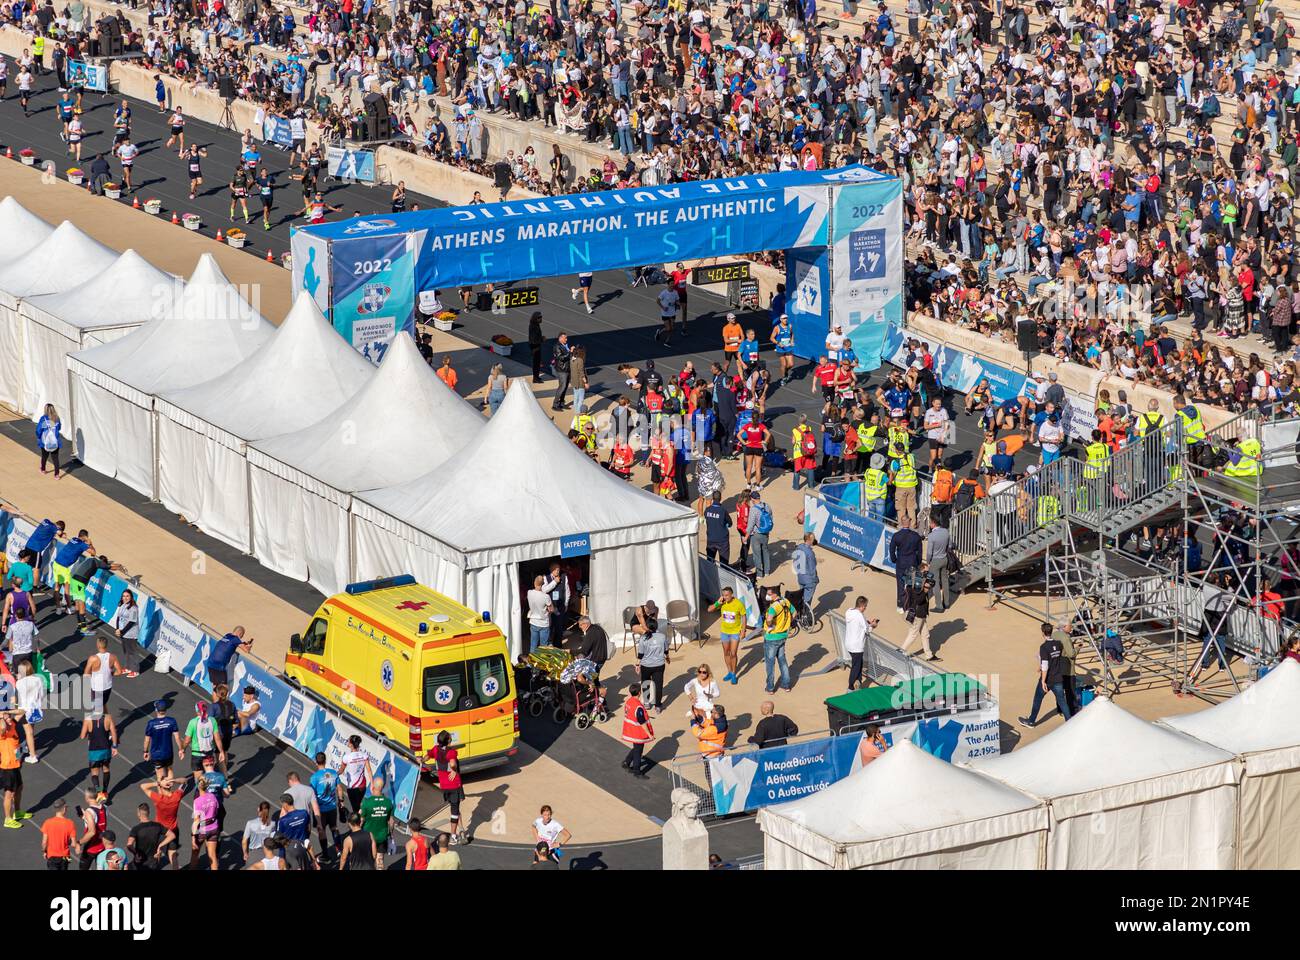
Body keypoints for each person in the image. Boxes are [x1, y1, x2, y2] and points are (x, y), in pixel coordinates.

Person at [1018, 623, 1073, 727]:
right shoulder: (1058, 644)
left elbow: (1045, 665)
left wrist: (1043, 681)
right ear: (1051, 632)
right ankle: (1069, 723)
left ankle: (1031, 721)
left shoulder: (1043, 647)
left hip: (1048, 679)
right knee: (1062, 701)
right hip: (1058, 678)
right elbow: (1054, 659)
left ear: (1043, 633)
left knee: (1037, 699)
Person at [707, 587, 747, 685]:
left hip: (734, 632)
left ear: (732, 594)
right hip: (724, 632)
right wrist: (717, 603)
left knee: (733, 653)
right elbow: (709, 610)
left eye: (727, 595)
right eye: (724, 595)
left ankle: (733, 674)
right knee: (726, 652)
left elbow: (744, 617)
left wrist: (743, 631)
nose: (725, 597)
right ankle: (729, 671)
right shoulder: (722, 603)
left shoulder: (739, 604)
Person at [432, 730, 466, 846]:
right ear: (448, 740)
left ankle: (461, 829)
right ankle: (453, 835)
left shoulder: (435, 749)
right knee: (455, 810)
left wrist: (421, 759)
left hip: (444, 786)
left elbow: (427, 756)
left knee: (454, 806)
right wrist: (454, 769)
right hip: (454, 785)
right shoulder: (451, 752)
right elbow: (452, 763)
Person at [900, 563, 939, 661]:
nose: (928, 573)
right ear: (921, 571)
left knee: (925, 634)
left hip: (920, 612)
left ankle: (929, 655)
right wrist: (926, 589)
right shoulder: (916, 585)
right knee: (913, 633)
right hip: (918, 613)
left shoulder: (916, 582)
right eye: (926, 571)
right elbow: (919, 600)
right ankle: (900, 651)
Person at [761, 585, 795, 694]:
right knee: (782, 661)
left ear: (775, 594)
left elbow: (769, 619)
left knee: (770, 664)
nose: (768, 596)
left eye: (770, 594)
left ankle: (770, 687)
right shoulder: (785, 601)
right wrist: (787, 624)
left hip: (772, 637)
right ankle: (786, 685)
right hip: (783, 636)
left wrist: (770, 625)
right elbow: (794, 613)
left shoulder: (773, 607)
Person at [80, 709, 118, 803]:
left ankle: (99, 792)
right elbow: (113, 732)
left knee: (94, 773)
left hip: (94, 751)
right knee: (106, 769)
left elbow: (82, 736)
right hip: (105, 750)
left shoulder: (88, 719)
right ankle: (105, 791)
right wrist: (114, 746)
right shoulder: (108, 717)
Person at [310, 751, 343, 856]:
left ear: (316, 762)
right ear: (325, 761)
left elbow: (312, 794)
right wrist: (341, 802)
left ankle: (325, 854)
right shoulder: (333, 773)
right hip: (332, 807)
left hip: (320, 810)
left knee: (321, 830)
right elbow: (340, 789)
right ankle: (339, 848)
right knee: (334, 827)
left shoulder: (314, 777)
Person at [634, 614, 669, 712]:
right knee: (658, 685)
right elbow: (666, 650)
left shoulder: (643, 638)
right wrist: (667, 657)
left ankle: (646, 703)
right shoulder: (662, 637)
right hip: (659, 665)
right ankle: (658, 706)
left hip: (646, 666)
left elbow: (640, 654)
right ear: (656, 626)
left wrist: (637, 665)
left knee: (645, 683)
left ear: (647, 627)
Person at [182, 701, 225, 776]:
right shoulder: (212, 720)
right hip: (209, 753)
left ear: (197, 711)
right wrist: (221, 751)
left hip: (197, 754)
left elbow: (187, 740)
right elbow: (217, 738)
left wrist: (183, 749)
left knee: (199, 779)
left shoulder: (193, 722)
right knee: (209, 776)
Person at [359, 775, 394, 869]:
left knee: (367, 860)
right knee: (380, 860)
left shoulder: (366, 802)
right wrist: (391, 834)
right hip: (382, 836)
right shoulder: (388, 802)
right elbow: (391, 821)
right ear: (382, 788)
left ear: (372, 787)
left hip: (368, 837)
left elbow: (361, 820)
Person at [843, 596, 877, 691]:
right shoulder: (860, 616)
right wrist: (873, 625)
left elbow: (860, 623)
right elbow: (868, 630)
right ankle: (850, 688)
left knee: (859, 663)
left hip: (849, 644)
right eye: (865, 606)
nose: (865, 608)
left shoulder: (849, 611)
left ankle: (858, 682)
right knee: (856, 667)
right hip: (857, 646)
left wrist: (866, 622)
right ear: (861, 606)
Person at [142, 700, 181, 782]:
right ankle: (169, 792)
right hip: (168, 753)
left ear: (156, 710)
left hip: (156, 754)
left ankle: (162, 793)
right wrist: (181, 749)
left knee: (159, 776)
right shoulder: (171, 721)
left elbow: (147, 740)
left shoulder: (151, 723)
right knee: (170, 770)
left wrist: (145, 751)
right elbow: (177, 737)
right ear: (165, 710)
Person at [621, 682, 654, 778]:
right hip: (638, 733)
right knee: (638, 751)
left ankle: (627, 762)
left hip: (630, 730)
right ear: (639, 693)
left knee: (636, 748)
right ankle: (637, 771)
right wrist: (649, 734)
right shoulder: (638, 706)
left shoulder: (629, 701)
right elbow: (642, 722)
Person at [0, 711, 27, 829]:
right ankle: (8, 819)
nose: (9, 719)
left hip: (15, 764)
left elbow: (23, 711)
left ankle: (17, 812)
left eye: (9, 717)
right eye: (7, 719)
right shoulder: (2, 733)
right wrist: (1, 717)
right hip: (7, 767)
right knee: (9, 793)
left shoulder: (13, 726)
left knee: (20, 787)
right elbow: (2, 726)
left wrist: (8, 712)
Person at [889, 524, 924, 613]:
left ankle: (900, 605)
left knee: (900, 584)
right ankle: (910, 605)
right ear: (909, 523)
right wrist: (919, 562)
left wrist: (894, 560)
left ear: (901, 523)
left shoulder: (896, 535)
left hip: (901, 563)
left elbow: (892, 549)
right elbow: (920, 551)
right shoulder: (916, 536)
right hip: (912, 563)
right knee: (911, 584)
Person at [127, 803, 169, 871]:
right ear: (148, 812)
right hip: (153, 862)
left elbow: (129, 844)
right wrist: (160, 845)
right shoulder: (157, 826)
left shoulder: (136, 829)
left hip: (140, 861)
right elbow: (172, 835)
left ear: (138, 813)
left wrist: (135, 853)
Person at [338, 736, 372, 815]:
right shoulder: (364, 755)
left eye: (348, 741)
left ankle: (359, 823)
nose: (347, 742)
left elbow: (341, 770)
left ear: (350, 745)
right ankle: (360, 820)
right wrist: (372, 784)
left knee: (356, 809)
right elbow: (369, 771)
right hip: (363, 785)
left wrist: (334, 774)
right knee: (358, 805)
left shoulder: (347, 757)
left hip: (352, 787)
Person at [111, 589, 141, 677]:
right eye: (124, 596)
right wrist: (117, 629)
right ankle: (128, 667)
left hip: (130, 634)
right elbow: (118, 618)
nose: (125, 598)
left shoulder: (134, 608)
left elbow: (132, 622)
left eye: (127, 596)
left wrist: (122, 631)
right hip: (123, 633)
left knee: (132, 652)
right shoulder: (123, 605)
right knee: (126, 651)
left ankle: (135, 670)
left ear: (131, 597)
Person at [926, 516, 953, 613]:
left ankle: (939, 606)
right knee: (945, 581)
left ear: (933, 523)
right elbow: (950, 545)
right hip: (944, 559)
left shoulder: (932, 536)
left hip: (935, 561)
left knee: (935, 583)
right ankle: (946, 603)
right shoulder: (946, 531)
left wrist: (928, 562)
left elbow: (929, 552)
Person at [40, 799, 76, 869]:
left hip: (52, 856)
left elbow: (44, 843)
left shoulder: (47, 823)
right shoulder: (70, 823)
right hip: (65, 857)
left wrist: (44, 851)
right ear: (64, 808)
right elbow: (73, 844)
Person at [792, 532, 820, 617]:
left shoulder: (799, 548)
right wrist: (816, 579)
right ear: (810, 540)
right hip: (809, 580)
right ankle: (805, 617)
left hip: (800, 578)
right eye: (813, 539)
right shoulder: (810, 553)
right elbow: (812, 568)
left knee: (802, 597)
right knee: (807, 600)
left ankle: (800, 614)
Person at [526, 574, 554, 652]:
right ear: (543, 584)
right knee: (543, 647)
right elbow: (551, 609)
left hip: (533, 621)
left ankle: (531, 663)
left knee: (533, 645)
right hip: (543, 623)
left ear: (534, 583)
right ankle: (542, 663)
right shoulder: (546, 596)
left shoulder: (529, 592)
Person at [36, 403, 63, 478]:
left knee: (44, 456)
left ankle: (43, 469)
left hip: (45, 442)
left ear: (46, 410)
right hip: (55, 441)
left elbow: (39, 430)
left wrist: (39, 437)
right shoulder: (57, 418)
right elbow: (59, 428)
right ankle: (56, 475)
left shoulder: (43, 419)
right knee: (55, 458)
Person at [551, 331, 572, 411]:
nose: (566, 339)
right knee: (562, 387)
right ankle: (555, 404)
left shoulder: (564, 345)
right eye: (565, 338)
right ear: (560, 338)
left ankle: (561, 403)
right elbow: (560, 358)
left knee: (565, 386)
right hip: (561, 369)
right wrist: (570, 352)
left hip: (566, 368)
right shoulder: (557, 346)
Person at [528, 312, 545, 383]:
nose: (541, 319)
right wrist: (542, 339)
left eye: (541, 317)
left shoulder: (536, 325)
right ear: (536, 318)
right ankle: (535, 378)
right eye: (539, 318)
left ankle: (537, 377)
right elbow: (533, 340)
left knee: (537, 363)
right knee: (536, 364)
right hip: (535, 348)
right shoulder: (533, 326)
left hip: (537, 347)